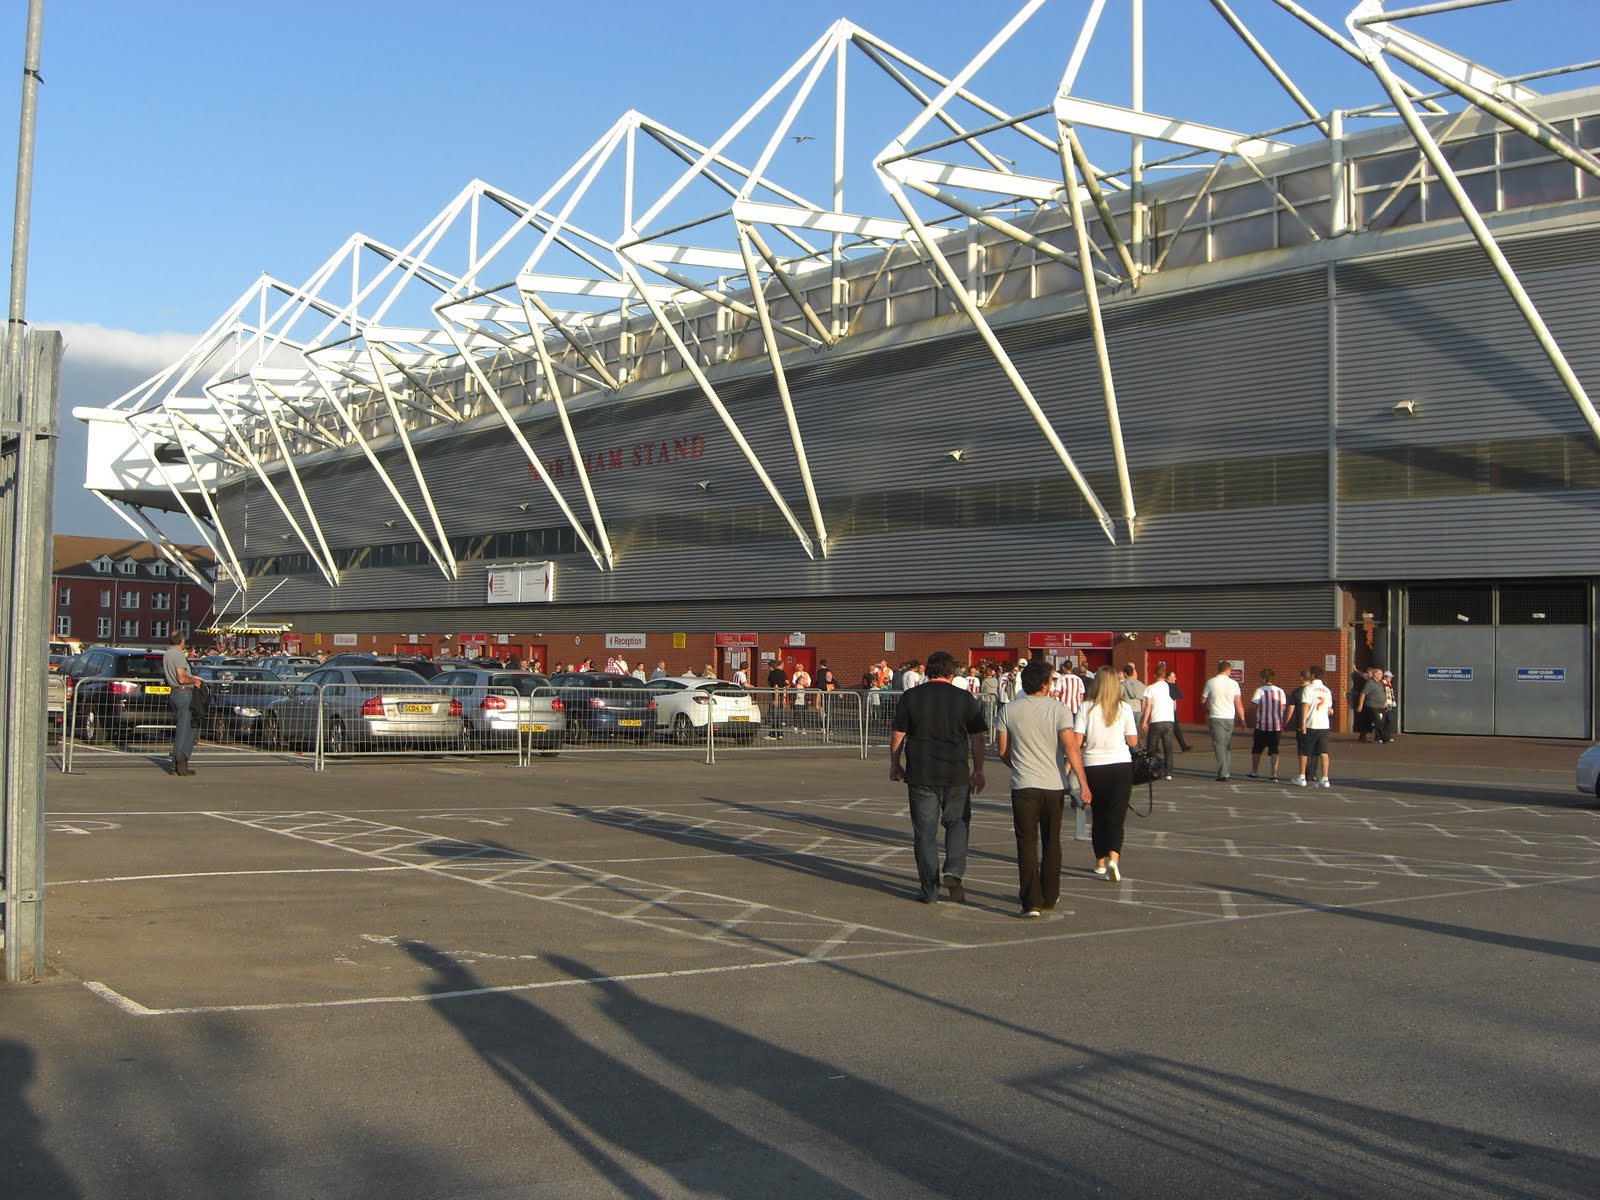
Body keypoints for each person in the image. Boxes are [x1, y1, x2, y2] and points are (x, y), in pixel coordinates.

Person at [889, 650, 988, 904]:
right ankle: (954, 869)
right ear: (950, 672)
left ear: (928, 670)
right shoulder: (965, 698)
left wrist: (895, 763)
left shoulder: (911, 697)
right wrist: (978, 770)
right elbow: (977, 738)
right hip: (955, 772)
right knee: (957, 823)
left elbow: (899, 733)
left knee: (925, 832)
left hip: (921, 772)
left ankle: (929, 888)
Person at [996, 659, 1075, 918]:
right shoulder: (1060, 709)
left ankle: (1031, 901)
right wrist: (1083, 782)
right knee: (1052, 841)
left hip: (1023, 783)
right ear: (1044, 683)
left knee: (1026, 843)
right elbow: (1070, 747)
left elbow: (1003, 751)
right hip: (1053, 784)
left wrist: (1018, 764)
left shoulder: (1009, 710)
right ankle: (1050, 895)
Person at [1071, 666, 1139, 881]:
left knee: (1098, 815)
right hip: (1120, 765)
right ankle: (1114, 859)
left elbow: (1077, 741)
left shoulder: (1085, 708)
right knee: (1117, 816)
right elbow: (1133, 741)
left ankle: (1099, 863)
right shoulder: (1124, 708)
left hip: (1093, 765)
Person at [162, 631, 202, 776]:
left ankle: (180, 762)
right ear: (182, 641)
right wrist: (195, 681)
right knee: (185, 730)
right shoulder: (179, 654)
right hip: (184, 692)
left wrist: (192, 676)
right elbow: (181, 678)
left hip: (174, 692)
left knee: (189, 727)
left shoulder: (167, 653)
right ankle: (178, 760)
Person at [1201, 660, 1245, 781]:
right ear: (1227, 670)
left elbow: (1203, 700)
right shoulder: (1234, 684)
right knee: (1226, 745)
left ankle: (1223, 773)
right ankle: (1226, 770)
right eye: (1230, 670)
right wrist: (1242, 718)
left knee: (1219, 745)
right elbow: (1238, 703)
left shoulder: (1210, 682)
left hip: (1216, 716)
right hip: (1229, 717)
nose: (1230, 672)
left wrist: (1206, 710)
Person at [1294, 666, 1334, 787]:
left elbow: (1305, 706)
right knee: (1324, 752)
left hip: (1311, 723)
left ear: (1312, 675)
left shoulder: (1309, 689)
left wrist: (1303, 723)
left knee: (1304, 751)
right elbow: (1329, 708)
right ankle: (1325, 778)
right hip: (1324, 724)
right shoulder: (1327, 690)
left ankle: (1302, 777)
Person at [1249, 669, 1287, 781]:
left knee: (1257, 749)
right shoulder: (1281, 691)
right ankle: (1273, 774)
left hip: (1262, 725)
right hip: (1276, 725)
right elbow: (1283, 707)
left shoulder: (1260, 690)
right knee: (1274, 750)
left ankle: (1254, 772)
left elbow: (1254, 705)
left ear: (1264, 679)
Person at [1140, 669, 1178, 780]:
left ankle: (1151, 771)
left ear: (1154, 675)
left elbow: (1148, 706)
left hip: (1156, 720)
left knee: (1151, 747)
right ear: (1165, 676)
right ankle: (1169, 772)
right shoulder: (1171, 687)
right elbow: (1175, 705)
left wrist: (1145, 721)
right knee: (1168, 747)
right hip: (1169, 720)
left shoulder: (1150, 688)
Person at [1355, 666, 1389, 743]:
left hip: (1381, 706)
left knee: (1372, 722)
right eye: (1380, 674)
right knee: (1378, 722)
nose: (1381, 675)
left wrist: (1385, 702)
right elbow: (1363, 693)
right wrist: (1360, 705)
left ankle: (1366, 736)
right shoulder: (1370, 683)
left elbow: (1383, 692)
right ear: (1375, 675)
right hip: (1372, 705)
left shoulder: (1381, 683)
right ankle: (1383, 737)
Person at [1163, 669, 1194, 753]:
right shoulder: (1166, 686)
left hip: (1172, 711)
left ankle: (1183, 746)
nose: (1175, 678)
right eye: (1173, 677)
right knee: (1166, 729)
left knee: (1175, 729)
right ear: (1168, 677)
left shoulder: (1172, 686)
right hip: (1167, 711)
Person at [766, 660, 788, 739]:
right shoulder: (782, 673)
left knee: (773, 715)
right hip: (782, 696)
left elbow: (776, 687)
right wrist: (785, 698)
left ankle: (772, 734)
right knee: (779, 715)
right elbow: (786, 685)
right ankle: (780, 733)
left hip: (774, 696)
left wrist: (775, 699)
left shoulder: (772, 673)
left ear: (771, 666)